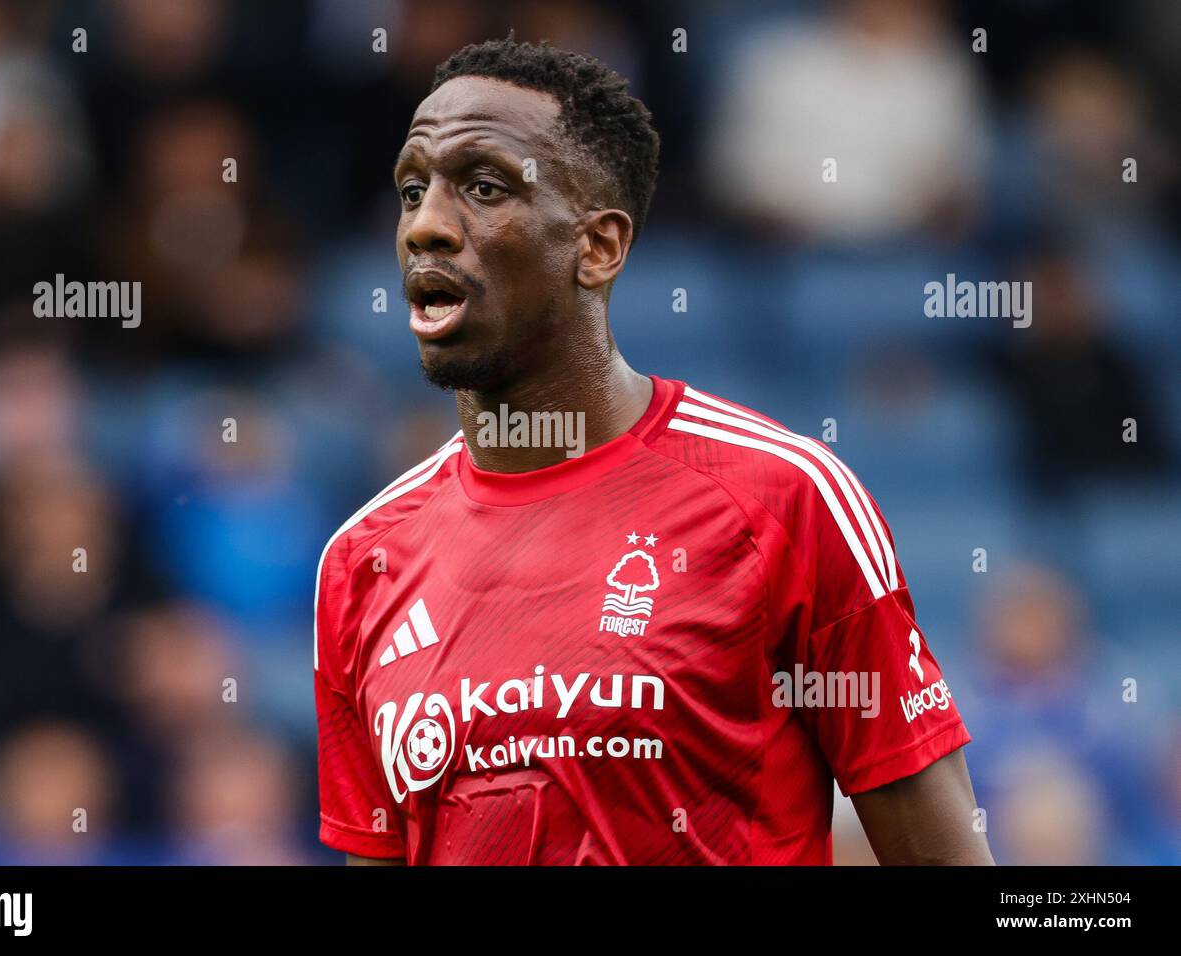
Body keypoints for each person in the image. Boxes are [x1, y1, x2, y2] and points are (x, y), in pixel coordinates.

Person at [313, 37, 992, 865]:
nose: (425, 227)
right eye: (413, 190)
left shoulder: (787, 499)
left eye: (484, 187)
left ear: (597, 248)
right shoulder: (361, 561)